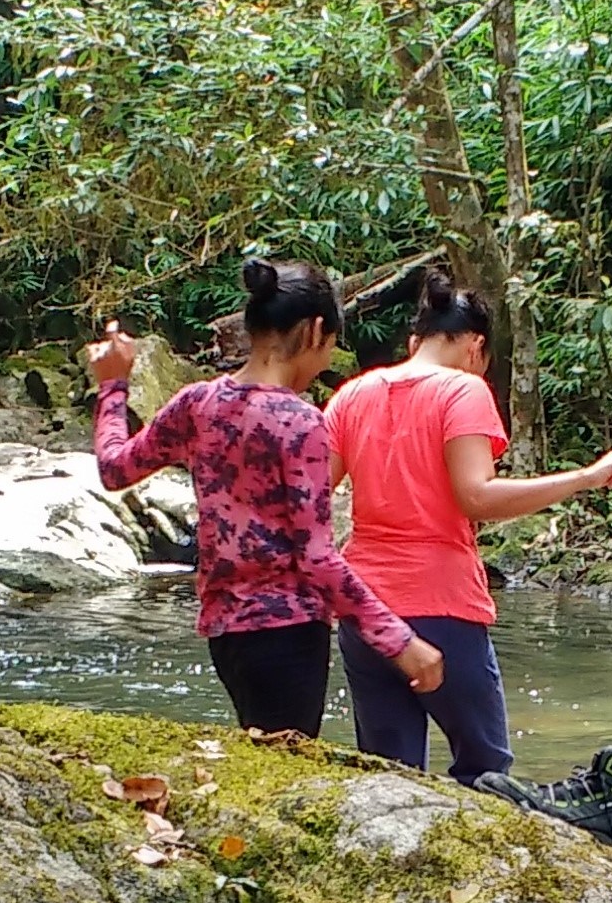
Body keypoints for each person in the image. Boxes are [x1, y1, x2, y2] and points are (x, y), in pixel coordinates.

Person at [87, 261, 445, 736]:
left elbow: (114, 468)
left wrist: (113, 385)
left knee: (259, 749)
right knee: (285, 763)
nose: (324, 361)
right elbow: (318, 557)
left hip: (225, 632)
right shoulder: (301, 423)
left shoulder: (199, 403)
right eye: (331, 346)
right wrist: (399, 640)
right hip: (289, 632)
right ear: (316, 331)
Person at [327, 271, 612, 784]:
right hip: (441, 605)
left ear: (415, 341)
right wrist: (582, 478)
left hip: (366, 612)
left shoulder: (352, 395)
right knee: (486, 770)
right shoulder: (462, 390)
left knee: (388, 776)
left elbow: (312, 494)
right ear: (476, 346)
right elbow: (476, 497)